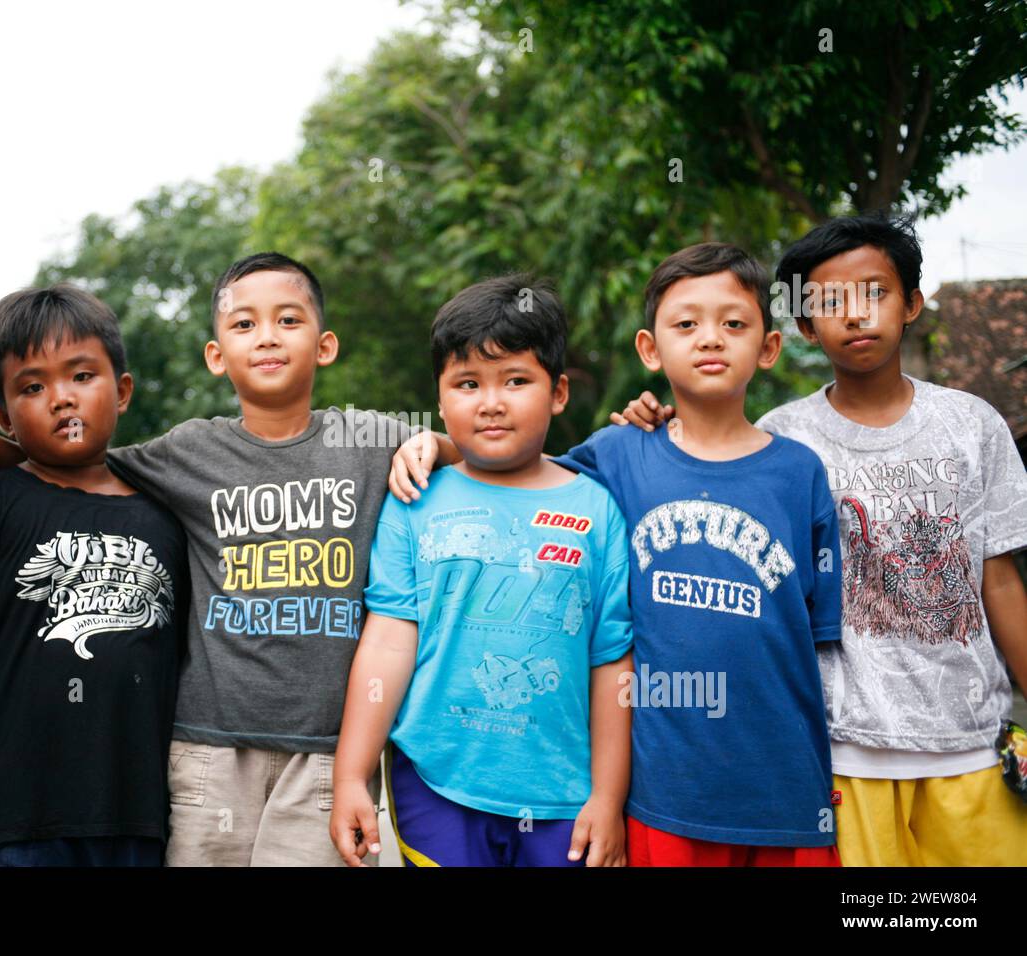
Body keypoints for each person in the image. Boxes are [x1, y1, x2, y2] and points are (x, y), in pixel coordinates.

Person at [0, 252, 454, 866]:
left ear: (325, 345)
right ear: (215, 355)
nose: (266, 337)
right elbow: (70, 461)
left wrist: (431, 442)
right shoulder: (188, 452)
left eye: (288, 320)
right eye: (243, 324)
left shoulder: (365, 439)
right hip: (207, 749)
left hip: (327, 749)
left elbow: (471, 448)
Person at [392, 244, 843, 865]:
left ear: (769, 347)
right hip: (661, 790)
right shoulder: (618, 454)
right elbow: (518, 470)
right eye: (686, 324)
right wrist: (440, 443)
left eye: (733, 324)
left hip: (785, 786)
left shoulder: (800, 473)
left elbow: (823, 643)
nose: (710, 338)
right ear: (650, 350)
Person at [614, 214, 1027, 865]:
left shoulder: (971, 425)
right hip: (842, 754)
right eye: (830, 303)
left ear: (912, 303)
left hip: (970, 741)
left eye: (876, 293)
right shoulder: (782, 442)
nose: (856, 315)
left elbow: (1000, 578)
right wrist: (662, 422)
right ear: (805, 328)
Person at [331, 275, 634, 867]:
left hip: (564, 797)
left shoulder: (598, 508)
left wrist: (608, 795)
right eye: (467, 384)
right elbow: (389, 641)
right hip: (436, 781)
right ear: (441, 402)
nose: (491, 402)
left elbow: (612, 663)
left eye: (516, 381)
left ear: (559, 392)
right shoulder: (414, 497)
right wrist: (350, 777)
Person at [0, 285, 188, 867]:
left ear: (124, 389)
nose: (61, 399)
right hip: (10, 820)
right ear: (4, 415)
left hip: (138, 819)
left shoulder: (170, 516)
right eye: (32, 387)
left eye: (82, 376)